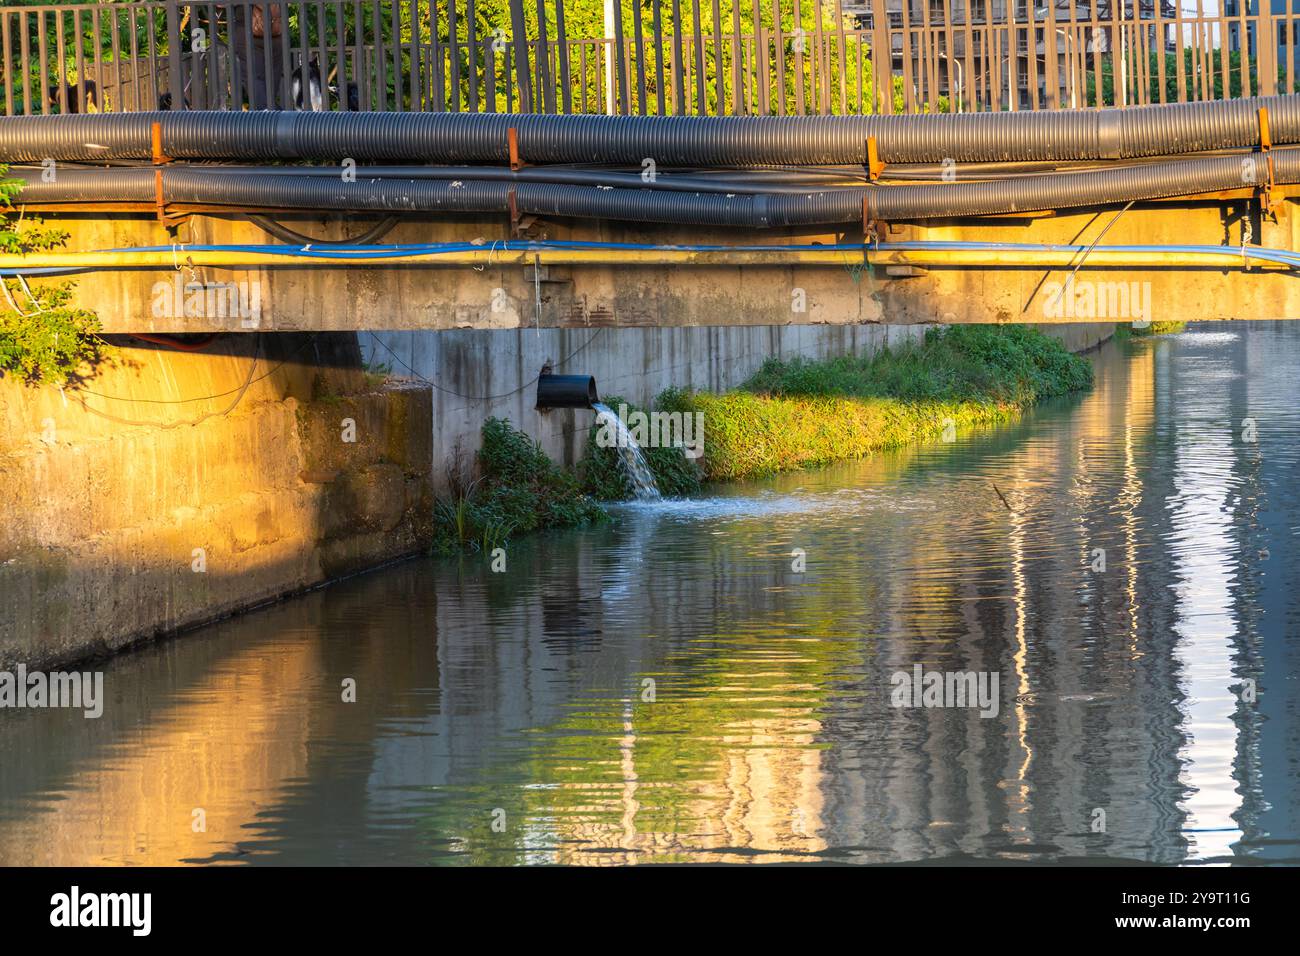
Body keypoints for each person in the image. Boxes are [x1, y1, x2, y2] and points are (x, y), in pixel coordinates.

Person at [226, 2, 287, 109]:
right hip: (276, 27)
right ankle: (271, 115)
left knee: (253, 78)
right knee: (270, 81)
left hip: (248, 29)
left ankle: (268, 117)